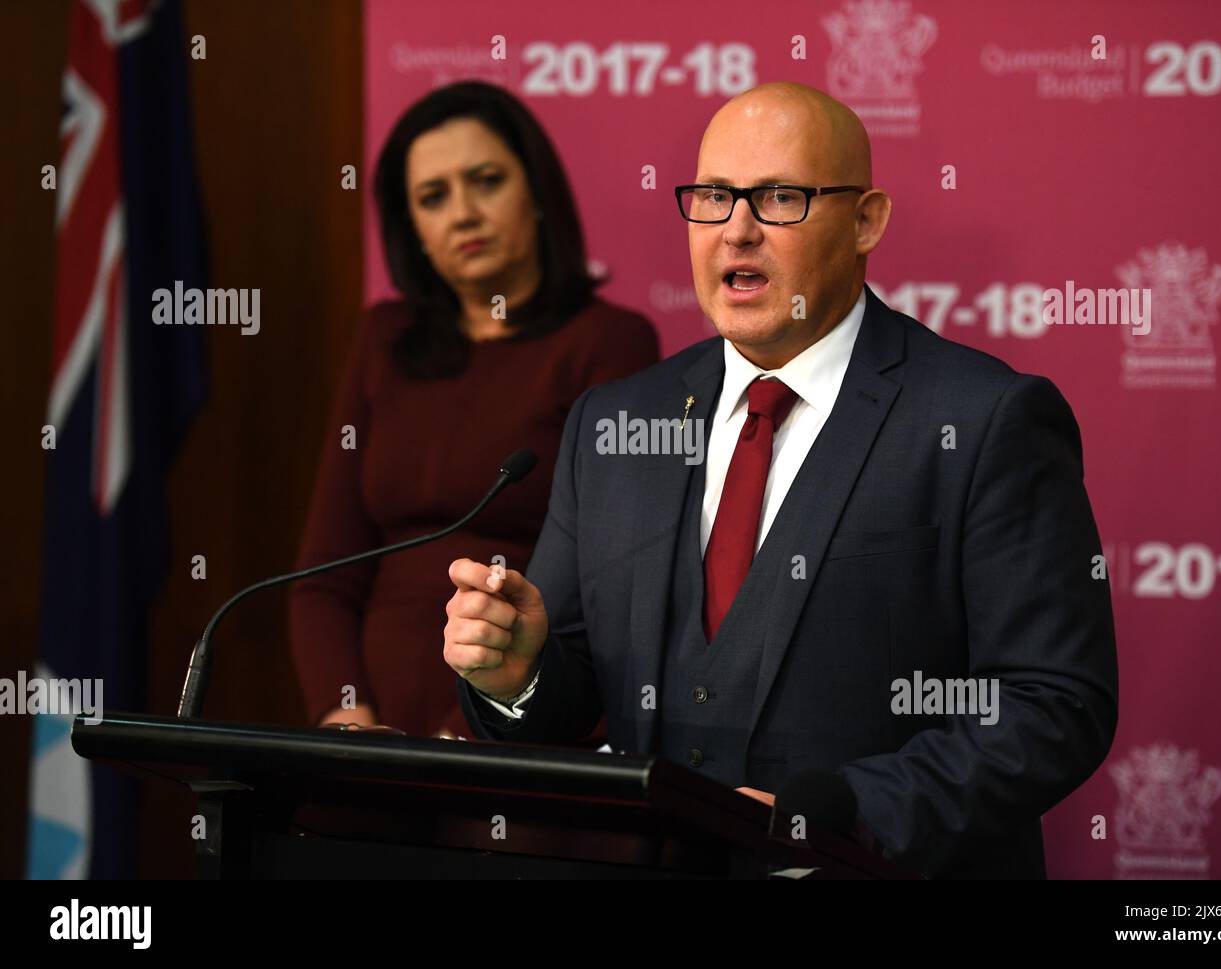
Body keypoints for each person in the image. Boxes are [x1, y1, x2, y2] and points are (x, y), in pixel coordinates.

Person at [441, 82, 1118, 878]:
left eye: (780, 198)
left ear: (867, 220)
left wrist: (846, 811)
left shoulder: (985, 418)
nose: (737, 230)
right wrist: (516, 674)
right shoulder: (615, 422)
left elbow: (1053, 704)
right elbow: (575, 690)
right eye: (714, 198)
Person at [290, 81, 659, 739]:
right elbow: (325, 576)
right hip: (363, 743)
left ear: (537, 194)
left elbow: (605, 587)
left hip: (515, 730)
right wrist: (344, 717)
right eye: (433, 197)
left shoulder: (609, 343)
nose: (462, 213)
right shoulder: (383, 339)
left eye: (485, 181)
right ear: (414, 231)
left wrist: (465, 734)